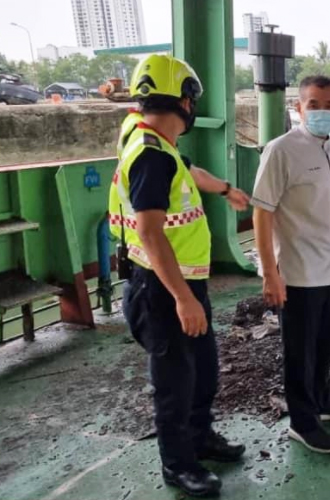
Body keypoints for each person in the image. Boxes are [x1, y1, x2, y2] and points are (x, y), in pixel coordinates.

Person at [108, 54, 249, 497]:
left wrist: (227, 190)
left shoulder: (153, 140)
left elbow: (192, 174)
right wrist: (183, 299)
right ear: (185, 101)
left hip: (184, 283)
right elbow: (150, 233)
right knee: (173, 382)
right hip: (162, 288)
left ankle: (201, 436)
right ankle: (178, 464)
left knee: (203, 369)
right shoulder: (150, 156)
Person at [251, 75, 330, 454]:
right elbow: (262, 212)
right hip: (298, 275)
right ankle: (302, 421)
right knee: (299, 352)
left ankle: (323, 401)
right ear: (298, 108)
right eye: (314, 104)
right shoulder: (282, 150)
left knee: (325, 344)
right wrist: (270, 274)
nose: (323, 111)